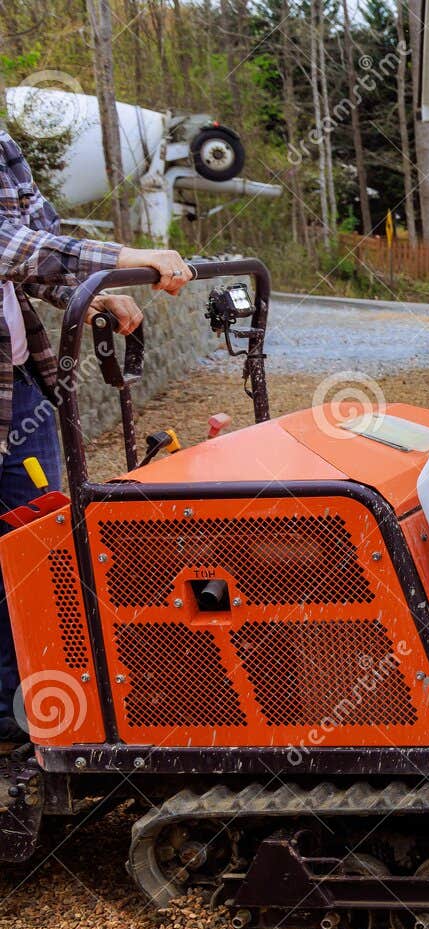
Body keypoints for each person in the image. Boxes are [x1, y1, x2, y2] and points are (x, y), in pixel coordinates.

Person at [0, 127, 194, 742]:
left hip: (16, 377)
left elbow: (36, 240)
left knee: (31, 538)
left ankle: (21, 706)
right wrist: (118, 259)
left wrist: (95, 294)